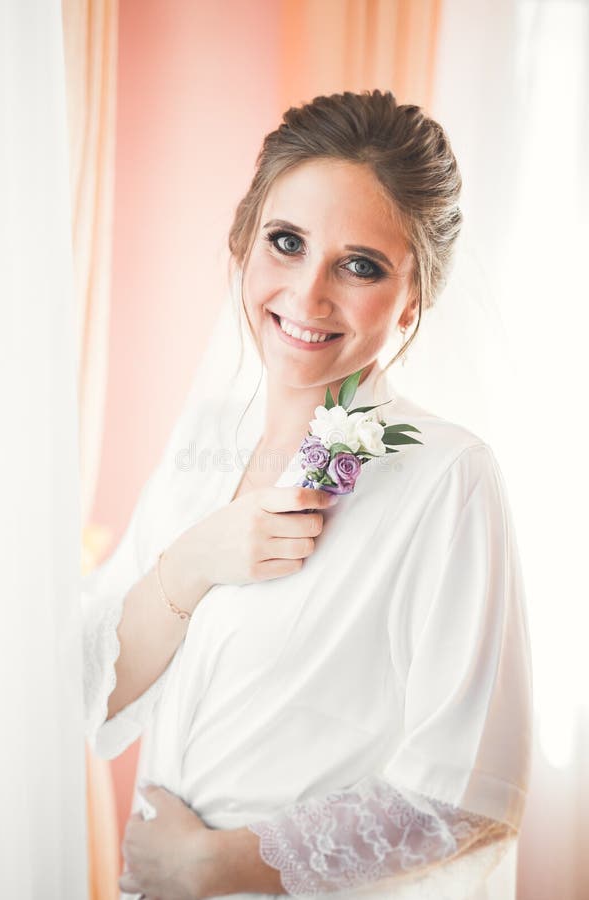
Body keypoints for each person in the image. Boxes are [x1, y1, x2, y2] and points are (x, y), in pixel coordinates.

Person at [82, 89, 533, 900]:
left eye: (360, 265)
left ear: (415, 296)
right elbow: (95, 685)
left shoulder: (448, 479)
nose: (308, 295)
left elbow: (469, 791)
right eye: (285, 242)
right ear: (242, 241)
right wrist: (187, 567)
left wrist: (211, 867)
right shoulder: (203, 439)